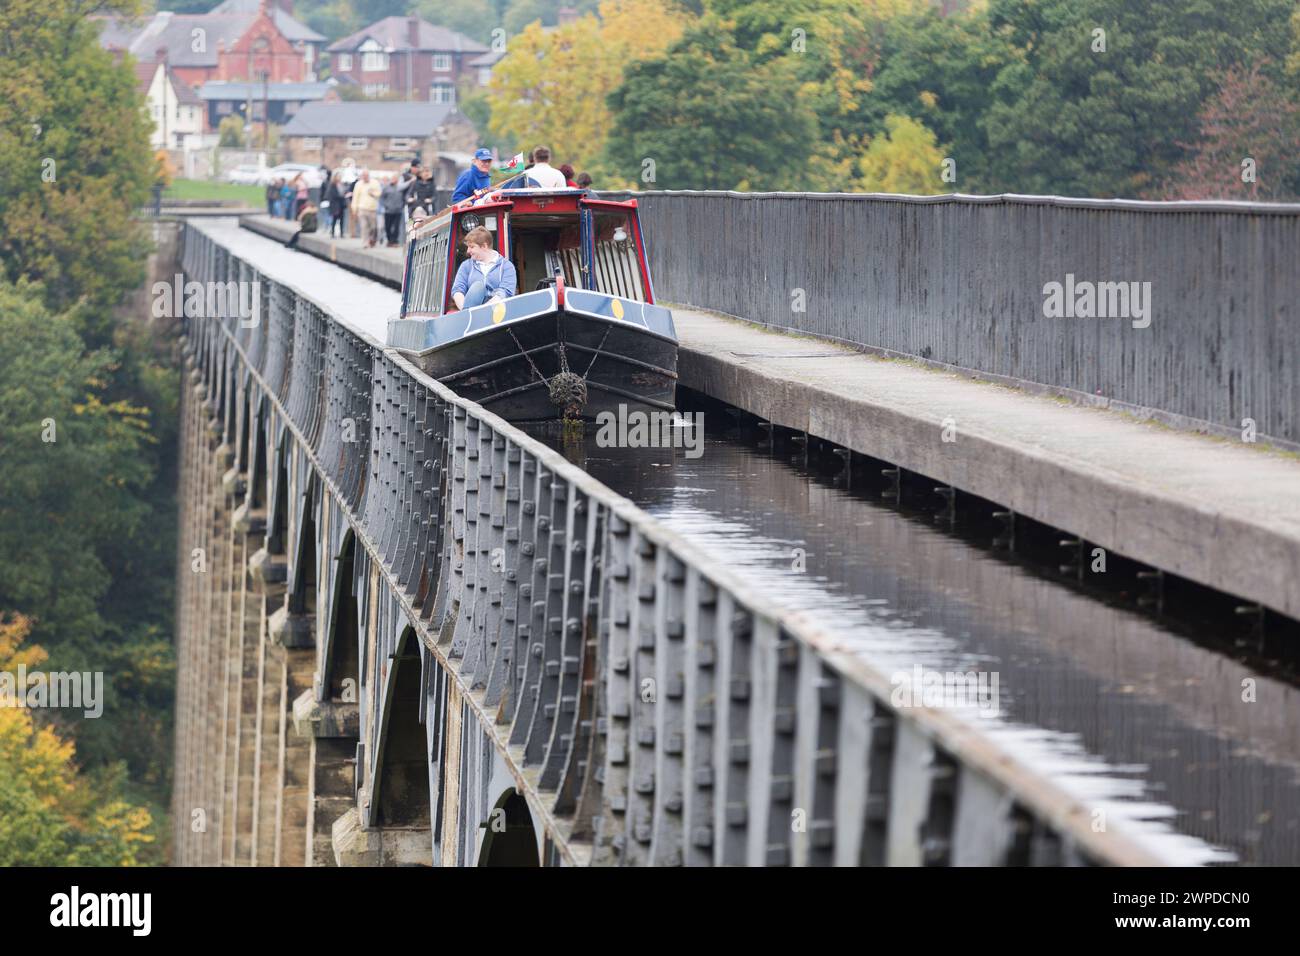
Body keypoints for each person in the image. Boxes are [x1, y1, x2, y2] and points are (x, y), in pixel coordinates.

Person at [450, 226, 516, 310]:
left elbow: (505, 292)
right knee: (477, 287)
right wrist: (466, 311)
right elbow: (457, 290)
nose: (468, 251)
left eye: (472, 247)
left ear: (484, 246)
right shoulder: (466, 266)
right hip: (471, 313)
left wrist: (482, 311)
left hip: (498, 315)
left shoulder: (507, 266)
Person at [350, 169, 382, 247]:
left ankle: (372, 240)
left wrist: (373, 193)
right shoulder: (358, 184)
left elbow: (379, 193)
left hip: (372, 209)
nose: (365, 177)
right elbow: (355, 197)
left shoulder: (375, 183)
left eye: (366, 176)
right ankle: (365, 242)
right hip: (362, 208)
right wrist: (354, 209)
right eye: (363, 176)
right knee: (364, 226)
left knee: (373, 227)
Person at [380, 174, 405, 247]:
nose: (394, 180)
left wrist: (402, 205)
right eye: (393, 178)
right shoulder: (386, 187)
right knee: (388, 226)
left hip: (398, 211)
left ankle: (395, 241)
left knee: (396, 227)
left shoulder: (400, 188)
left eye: (395, 179)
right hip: (388, 211)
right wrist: (385, 205)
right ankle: (389, 240)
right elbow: (382, 198)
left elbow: (405, 197)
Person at [324, 172, 348, 238]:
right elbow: (332, 195)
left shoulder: (342, 184)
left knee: (342, 219)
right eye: (338, 176)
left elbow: (344, 192)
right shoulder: (332, 185)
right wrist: (342, 196)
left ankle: (341, 233)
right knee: (334, 219)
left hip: (341, 204)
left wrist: (345, 194)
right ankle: (332, 232)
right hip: (335, 204)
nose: (339, 178)